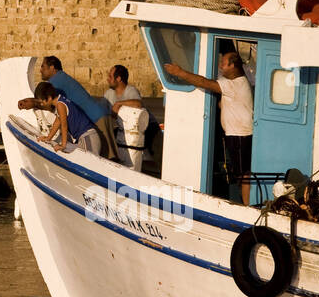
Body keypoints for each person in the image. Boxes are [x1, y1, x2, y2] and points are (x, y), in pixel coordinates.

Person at [163, 52, 254, 203]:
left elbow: (204, 82)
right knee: (241, 173)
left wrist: (179, 72)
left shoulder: (236, 83)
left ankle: (247, 207)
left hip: (239, 136)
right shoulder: (239, 83)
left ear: (232, 66)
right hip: (238, 135)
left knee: (244, 175)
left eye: (223, 63)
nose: (220, 66)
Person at [19, 56, 118, 159]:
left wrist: (32, 103)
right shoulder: (61, 79)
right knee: (106, 159)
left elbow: (50, 105)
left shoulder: (55, 83)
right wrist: (48, 138)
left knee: (108, 161)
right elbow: (55, 113)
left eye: (43, 67)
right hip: (98, 116)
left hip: (96, 119)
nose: (40, 70)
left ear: (52, 68)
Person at [23, 82, 101, 155]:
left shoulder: (60, 105)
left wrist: (63, 145)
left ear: (49, 98)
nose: (41, 104)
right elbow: (57, 123)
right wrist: (48, 137)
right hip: (84, 137)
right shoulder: (60, 102)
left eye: (42, 102)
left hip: (88, 136)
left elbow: (64, 125)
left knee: (86, 162)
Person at [104, 65, 149, 171]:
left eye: (110, 76)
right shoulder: (108, 93)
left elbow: (138, 104)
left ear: (118, 79)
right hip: (117, 132)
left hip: (135, 133)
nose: (107, 79)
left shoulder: (131, 91)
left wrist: (119, 103)